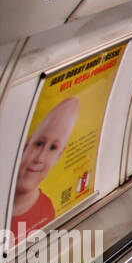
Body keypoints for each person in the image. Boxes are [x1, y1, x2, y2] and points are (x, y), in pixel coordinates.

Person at [8, 97, 79, 240]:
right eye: (38, 144)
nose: (40, 158)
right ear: (27, 145)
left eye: (53, 148)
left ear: (59, 156)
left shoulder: (46, 210)